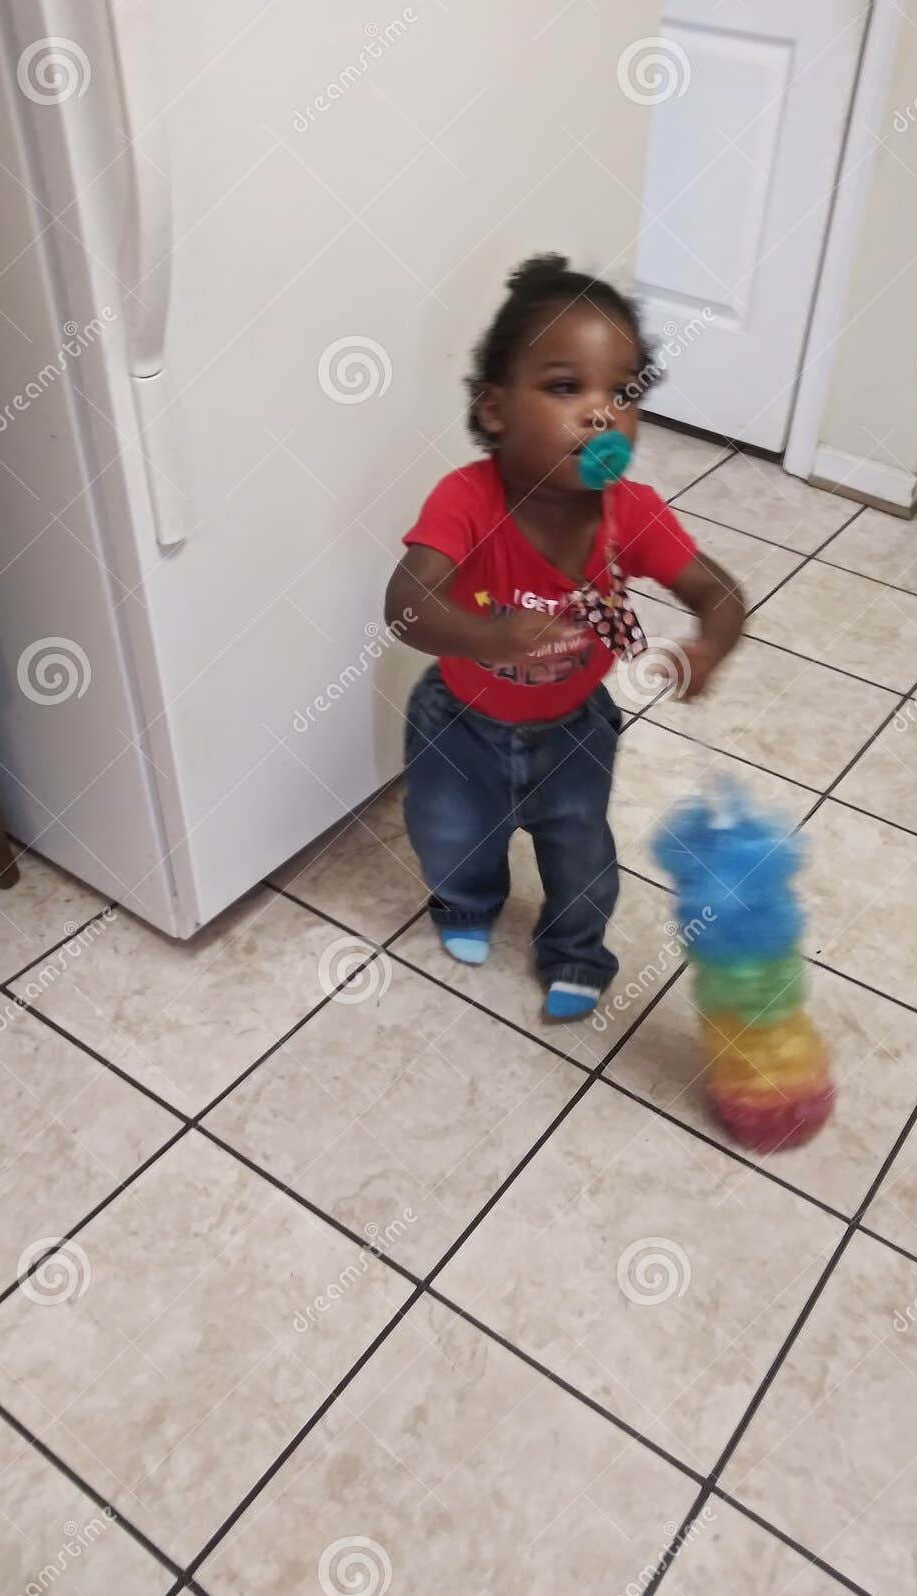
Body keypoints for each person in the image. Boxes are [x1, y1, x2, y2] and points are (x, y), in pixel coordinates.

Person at [384, 253, 744, 1022]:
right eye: (563, 388)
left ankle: (577, 950)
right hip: (459, 722)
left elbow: (719, 593)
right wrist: (489, 635)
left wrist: (709, 643)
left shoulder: (631, 513)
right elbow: (406, 604)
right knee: (450, 833)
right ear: (494, 411)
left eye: (622, 393)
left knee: (582, 856)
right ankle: (465, 903)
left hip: (575, 732)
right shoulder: (466, 500)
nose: (600, 413)